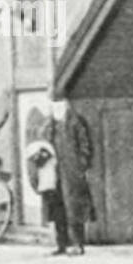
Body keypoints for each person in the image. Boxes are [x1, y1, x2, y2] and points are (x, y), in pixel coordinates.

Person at [43, 98, 94, 254]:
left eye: (60, 105)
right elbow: (44, 144)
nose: (57, 109)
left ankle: (78, 244)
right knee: (57, 209)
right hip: (54, 172)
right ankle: (61, 244)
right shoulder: (49, 125)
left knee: (74, 209)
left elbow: (86, 145)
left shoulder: (76, 122)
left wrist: (81, 165)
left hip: (72, 172)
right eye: (54, 106)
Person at [26, 138, 70, 255]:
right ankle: (62, 243)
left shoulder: (45, 154)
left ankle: (63, 243)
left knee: (58, 214)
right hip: (49, 184)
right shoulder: (45, 152)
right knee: (57, 215)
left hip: (51, 184)